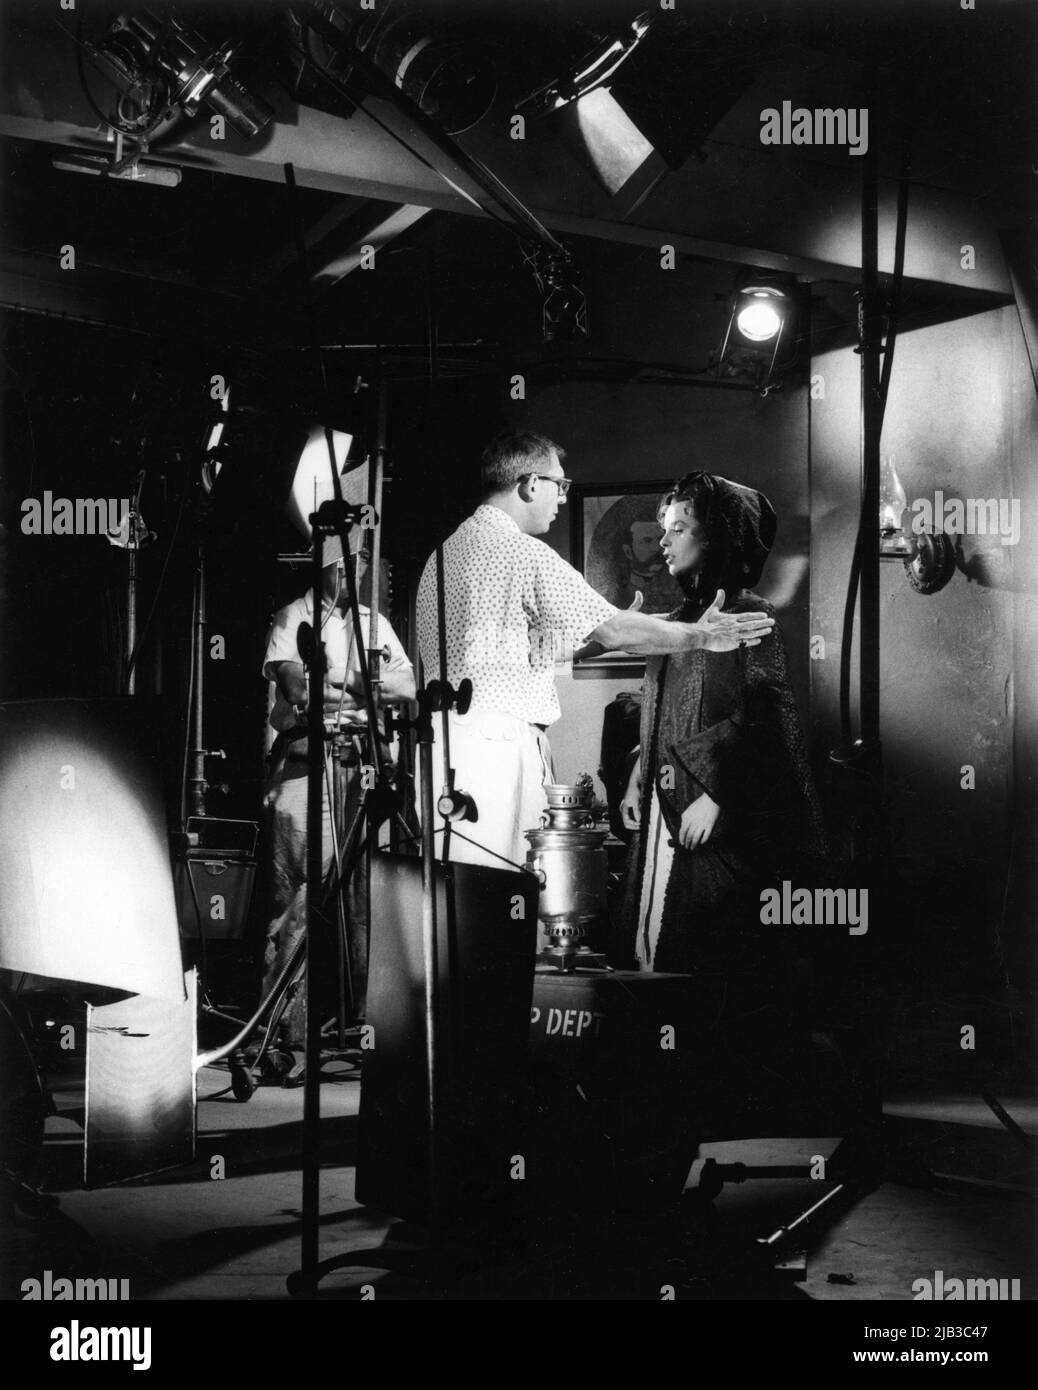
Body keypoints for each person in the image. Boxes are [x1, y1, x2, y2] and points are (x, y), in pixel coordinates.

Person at [415, 431, 776, 872]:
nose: (563, 498)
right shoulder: (523, 554)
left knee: (454, 889)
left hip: (441, 751)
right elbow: (614, 632)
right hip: (498, 749)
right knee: (503, 890)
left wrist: (661, 624)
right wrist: (700, 636)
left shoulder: (442, 556)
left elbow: (526, 649)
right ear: (530, 484)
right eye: (559, 485)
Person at [619, 472, 829, 1125]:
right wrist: (635, 776)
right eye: (664, 530)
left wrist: (720, 794)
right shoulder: (676, 622)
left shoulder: (752, 616)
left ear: (716, 536)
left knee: (720, 949)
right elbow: (657, 708)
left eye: (679, 529)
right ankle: (671, 1091)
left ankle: (728, 1097)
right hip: (664, 814)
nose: (665, 545)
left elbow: (768, 716)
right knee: (661, 945)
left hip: (721, 822)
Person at [260, 543, 416, 1073]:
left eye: (366, 558)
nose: (356, 568)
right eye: (346, 557)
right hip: (308, 766)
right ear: (322, 560)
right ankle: (284, 1035)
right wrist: (367, 695)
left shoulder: (375, 626)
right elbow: (299, 688)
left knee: (366, 900)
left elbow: (410, 684)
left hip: (363, 764)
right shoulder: (293, 617)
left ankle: (366, 1032)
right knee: (299, 900)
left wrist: (349, 686)